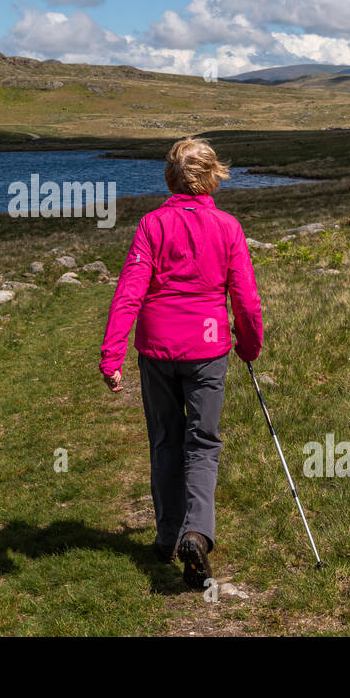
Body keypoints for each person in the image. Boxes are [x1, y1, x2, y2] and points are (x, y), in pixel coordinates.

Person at [99, 138, 264, 590]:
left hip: (156, 346)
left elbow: (129, 291)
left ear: (170, 177)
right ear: (212, 176)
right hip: (208, 347)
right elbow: (246, 300)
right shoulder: (227, 227)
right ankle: (196, 532)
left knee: (166, 439)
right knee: (203, 442)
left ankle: (168, 533)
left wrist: (112, 354)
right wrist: (249, 345)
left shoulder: (152, 225)